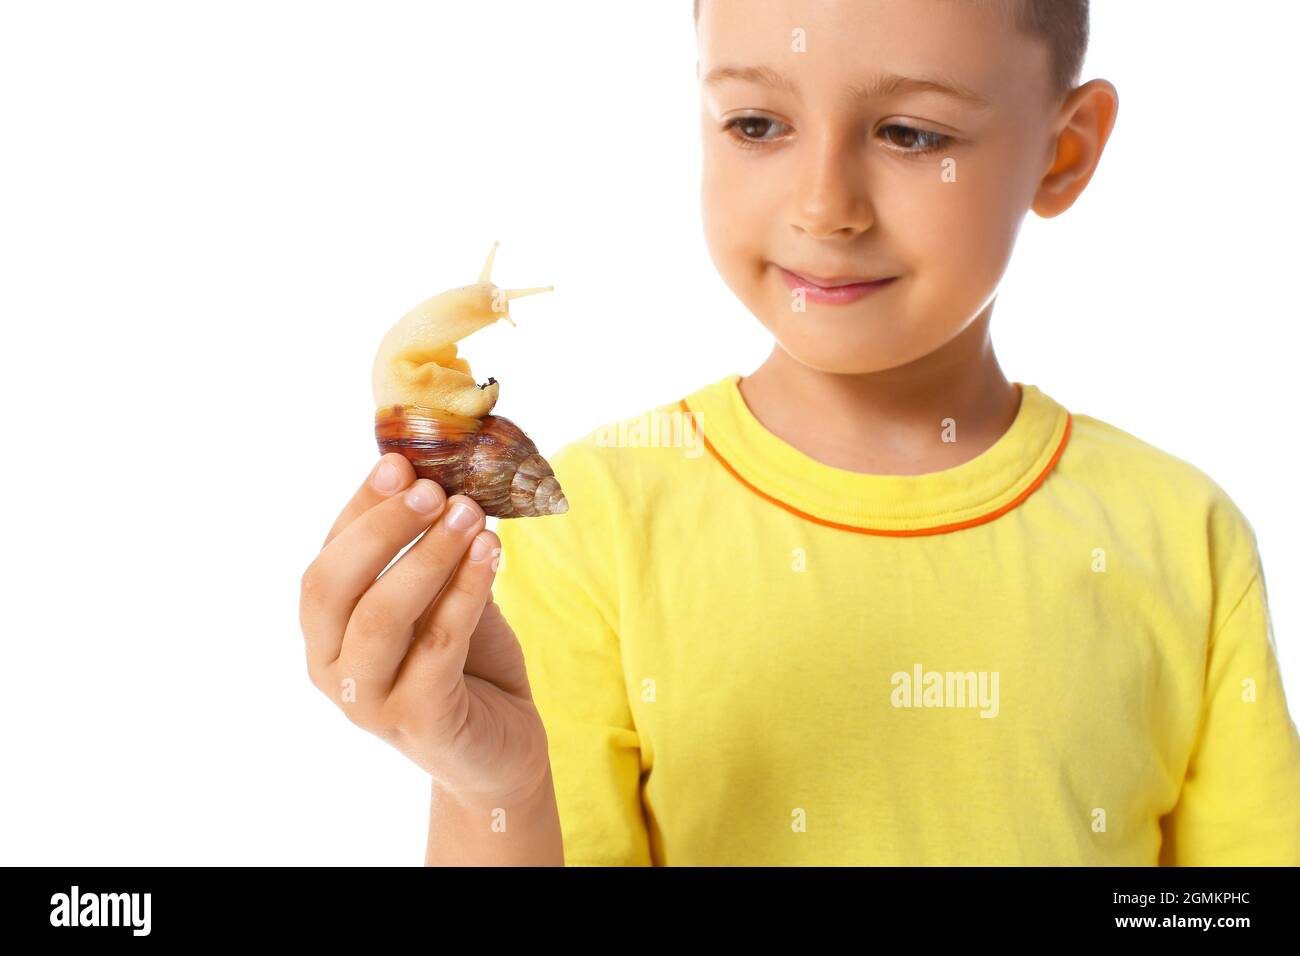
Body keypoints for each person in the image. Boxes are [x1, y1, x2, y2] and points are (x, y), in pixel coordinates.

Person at [299, 0, 1300, 865]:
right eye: (755, 121)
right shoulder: (591, 523)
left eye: (910, 134)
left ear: (1064, 149)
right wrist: (493, 784)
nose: (825, 207)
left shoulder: (1184, 536)